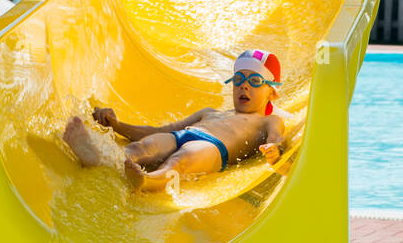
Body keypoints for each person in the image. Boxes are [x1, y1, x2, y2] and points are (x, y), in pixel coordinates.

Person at [63, 49, 286, 194]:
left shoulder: (268, 121)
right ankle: (99, 160)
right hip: (181, 135)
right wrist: (116, 125)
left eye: (255, 80)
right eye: (239, 79)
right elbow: (159, 129)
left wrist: (274, 149)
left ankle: (146, 181)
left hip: (214, 148)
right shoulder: (209, 112)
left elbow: (277, 139)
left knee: (181, 160)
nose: (244, 86)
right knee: (144, 146)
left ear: (272, 93)